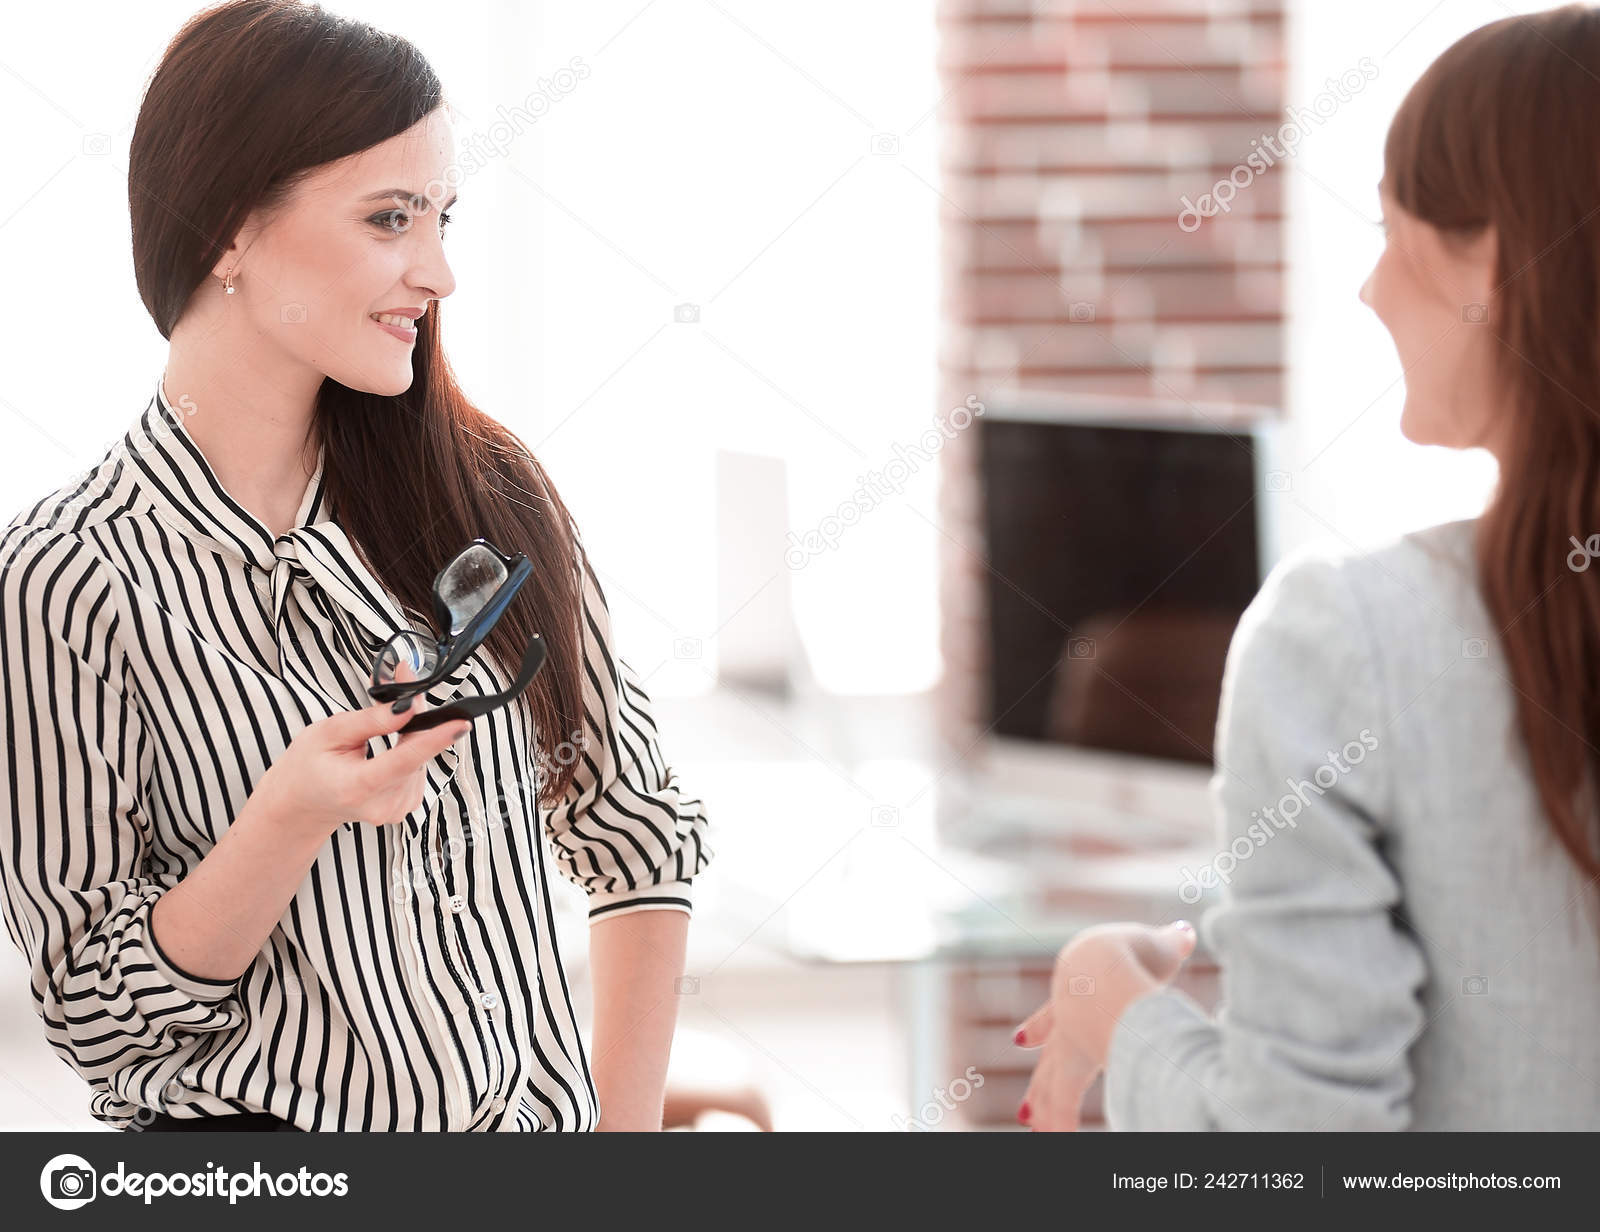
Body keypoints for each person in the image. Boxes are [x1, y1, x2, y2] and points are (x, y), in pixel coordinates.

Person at [0, 0, 711, 1132]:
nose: (438, 272)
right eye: (390, 219)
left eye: (444, 219)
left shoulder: (486, 493)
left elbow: (636, 834)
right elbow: (97, 1016)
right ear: (226, 227)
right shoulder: (66, 576)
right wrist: (285, 818)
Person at [1015, 4, 1600, 1131]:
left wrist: (1109, 1003)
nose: (1372, 287)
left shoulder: (1351, 638)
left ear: (1488, 251)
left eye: (1391, 228)